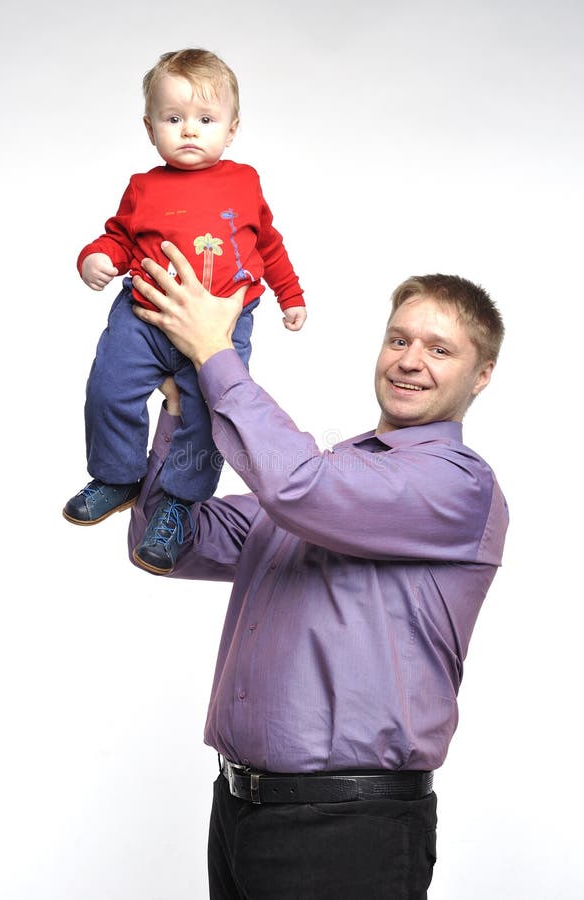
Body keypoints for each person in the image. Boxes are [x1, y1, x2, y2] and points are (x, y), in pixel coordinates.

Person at [128, 242, 508, 899]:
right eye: (399, 339)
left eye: (440, 349)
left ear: (482, 374)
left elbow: (297, 485)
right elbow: (169, 542)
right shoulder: (328, 487)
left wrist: (215, 354)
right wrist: (182, 408)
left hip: (349, 828)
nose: (410, 360)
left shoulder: (457, 486)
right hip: (241, 812)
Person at [62, 49, 306, 576]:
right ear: (150, 128)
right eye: (173, 120)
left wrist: (292, 296)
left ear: (232, 128)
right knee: (107, 387)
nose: (189, 131)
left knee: (206, 415)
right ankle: (119, 475)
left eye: (205, 120)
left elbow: (269, 244)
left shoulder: (244, 181)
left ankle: (178, 503)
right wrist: (97, 258)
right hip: (144, 317)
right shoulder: (144, 187)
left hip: (223, 322)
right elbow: (120, 237)